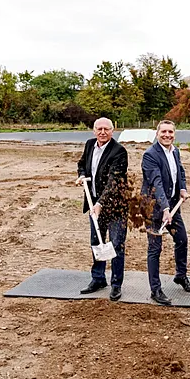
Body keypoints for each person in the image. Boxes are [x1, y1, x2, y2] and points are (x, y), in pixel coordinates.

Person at [142, 120, 190, 306]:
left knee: (182, 240)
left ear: (174, 134)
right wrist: (165, 209)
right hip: (153, 208)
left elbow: (179, 170)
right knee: (155, 248)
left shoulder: (175, 150)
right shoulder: (150, 155)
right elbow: (156, 183)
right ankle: (155, 289)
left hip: (173, 205)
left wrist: (182, 188)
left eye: (170, 132)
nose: (167, 135)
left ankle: (180, 276)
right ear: (157, 134)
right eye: (163, 132)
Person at [75, 117, 128, 301]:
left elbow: (114, 181)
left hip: (115, 207)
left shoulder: (119, 151)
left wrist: (100, 204)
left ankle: (115, 284)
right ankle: (98, 279)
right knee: (96, 241)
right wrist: (82, 175)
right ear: (94, 130)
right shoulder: (90, 145)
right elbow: (82, 163)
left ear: (113, 131)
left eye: (106, 129)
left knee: (116, 244)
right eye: (99, 129)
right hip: (93, 203)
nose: (102, 132)